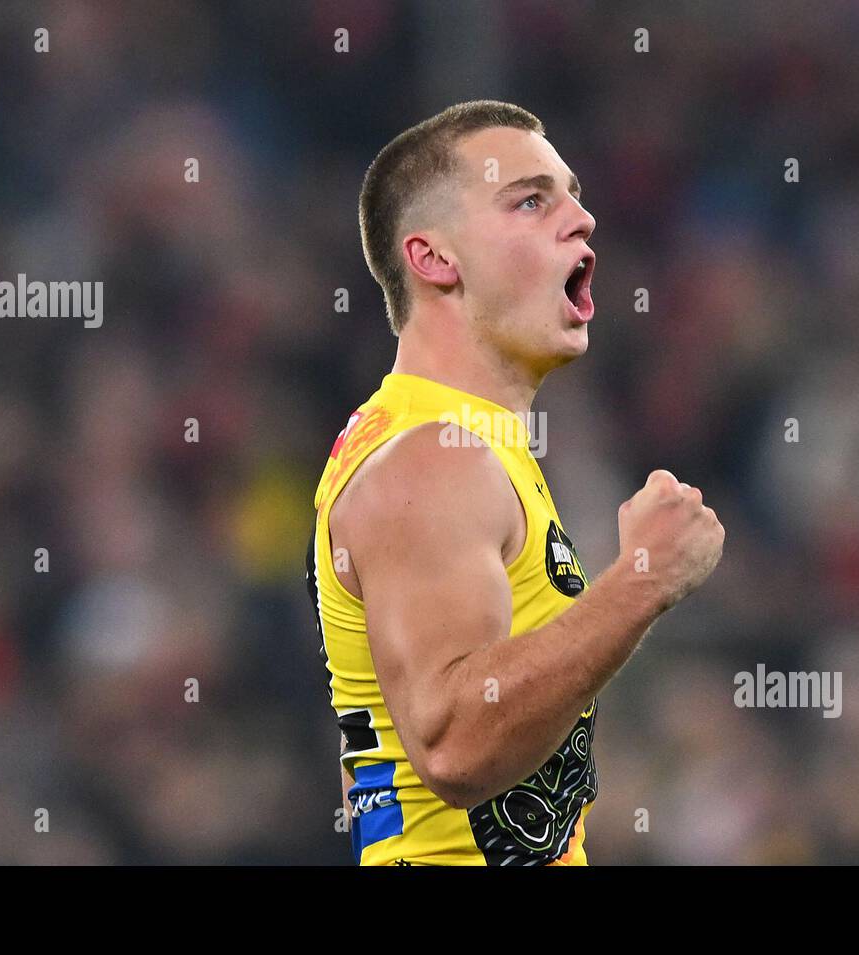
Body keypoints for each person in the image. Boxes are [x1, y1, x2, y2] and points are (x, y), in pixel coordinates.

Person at [306, 100, 725, 865]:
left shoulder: (437, 442)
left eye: (572, 193)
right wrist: (642, 578)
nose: (582, 218)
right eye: (531, 200)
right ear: (434, 260)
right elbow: (453, 743)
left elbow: (378, 776)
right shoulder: (432, 457)